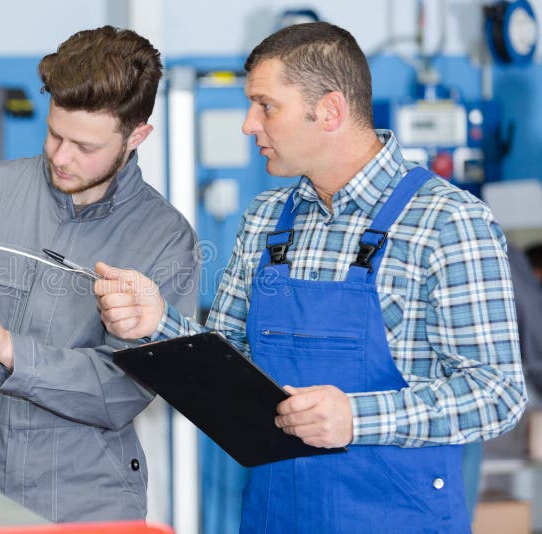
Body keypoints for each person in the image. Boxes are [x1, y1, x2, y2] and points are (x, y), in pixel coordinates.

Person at [95, 22, 526, 533]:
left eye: (266, 105)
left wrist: (354, 418)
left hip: (398, 520)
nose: (249, 123)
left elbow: (497, 395)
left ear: (330, 111)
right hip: (277, 515)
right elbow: (231, 360)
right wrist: (158, 321)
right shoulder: (266, 219)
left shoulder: (447, 222)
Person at [0, 26, 199, 523]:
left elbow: (121, 392)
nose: (60, 156)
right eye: (54, 133)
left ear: (136, 136)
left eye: (85, 146)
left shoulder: (165, 240)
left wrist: (6, 347)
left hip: (84, 502)